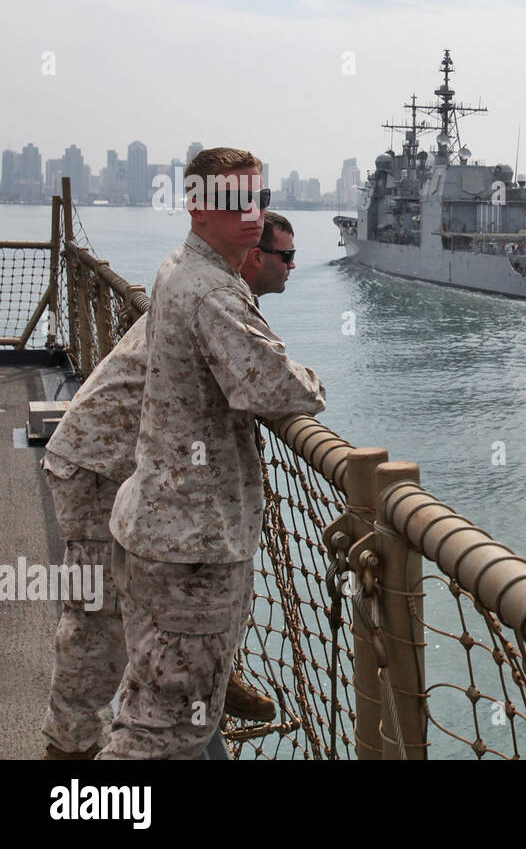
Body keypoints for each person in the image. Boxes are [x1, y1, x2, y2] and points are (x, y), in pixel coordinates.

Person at [40, 208, 303, 759]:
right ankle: (70, 750)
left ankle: (206, 668)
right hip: (101, 466)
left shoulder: (205, 289)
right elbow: (272, 386)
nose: (293, 266)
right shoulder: (215, 300)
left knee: (134, 607)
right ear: (255, 256)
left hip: (119, 466)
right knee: (99, 621)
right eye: (285, 255)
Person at [96, 149, 325, 760]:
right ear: (197, 206)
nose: (250, 215)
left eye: (256, 198)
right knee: (158, 735)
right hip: (190, 549)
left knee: (164, 716)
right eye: (232, 202)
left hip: (164, 532)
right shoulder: (210, 293)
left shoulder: (184, 270)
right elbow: (274, 384)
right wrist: (313, 382)